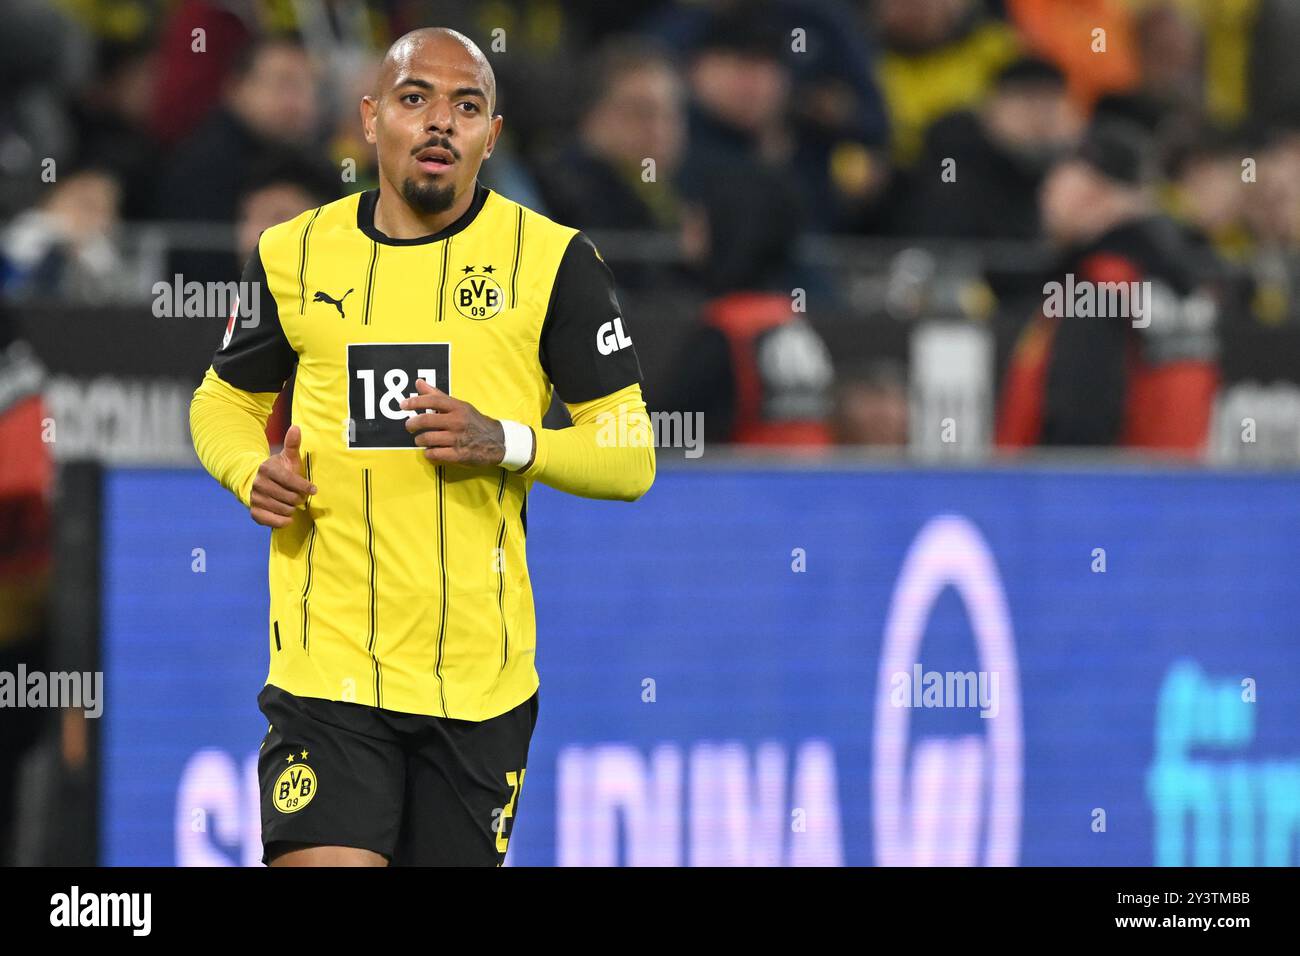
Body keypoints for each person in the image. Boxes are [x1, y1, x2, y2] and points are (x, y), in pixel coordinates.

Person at [188, 27, 655, 867]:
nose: (440, 122)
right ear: (371, 120)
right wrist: (246, 469)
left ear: (491, 137)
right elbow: (222, 401)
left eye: (466, 106)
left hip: (479, 684)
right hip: (327, 673)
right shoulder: (294, 254)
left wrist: (506, 441)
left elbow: (631, 454)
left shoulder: (553, 264)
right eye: (415, 100)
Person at [996, 120, 1221, 453]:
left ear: (1092, 189)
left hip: (1098, 498)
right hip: (1176, 495)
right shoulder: (1174, 282)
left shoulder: (1101, 285)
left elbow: (1080, 425)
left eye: (1058, 176)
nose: (1045, 192)